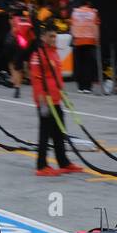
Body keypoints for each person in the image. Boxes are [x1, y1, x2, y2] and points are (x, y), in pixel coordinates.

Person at [31, 27, 83, 176]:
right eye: (50, 36)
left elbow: (57, 77)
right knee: (45, 134)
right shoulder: (38, 55)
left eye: (55, 36)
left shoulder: (54, 52)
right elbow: (36, 79)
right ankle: (41, 166)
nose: (53, 39)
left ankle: (63, 162)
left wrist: (63, 96)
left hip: (56, 98)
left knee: (60, 133)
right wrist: (42, 102)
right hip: (45, 101)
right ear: (43, 37)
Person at [71, 0, 100, 93]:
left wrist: (74, 38)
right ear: (88, 4)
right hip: (89, 41)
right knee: (88, 65)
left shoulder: (74, 13)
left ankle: (80, 87)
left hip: (78, 41)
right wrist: (97, 40)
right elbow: (95, 27)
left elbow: (72, 27)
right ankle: (87, 87)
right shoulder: (93, 12)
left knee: (79, 64)